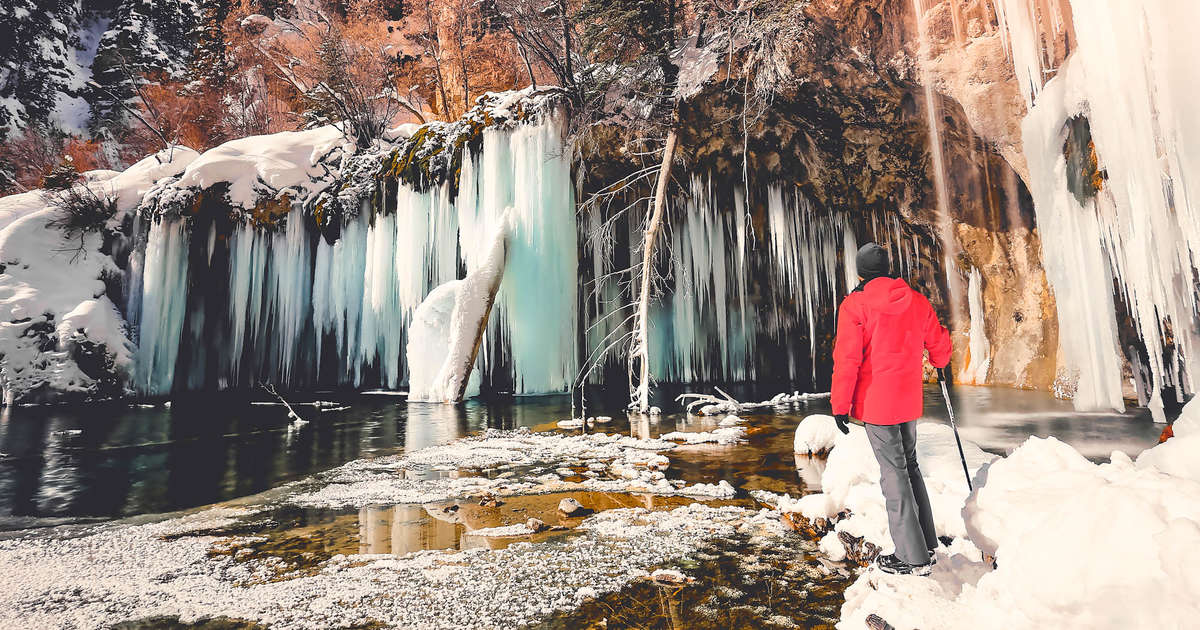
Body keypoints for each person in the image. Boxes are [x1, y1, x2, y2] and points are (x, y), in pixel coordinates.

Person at [830, 242, 951, 576]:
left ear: (860, 272)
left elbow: (847, 359)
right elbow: (939, 342)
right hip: (908, 400)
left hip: (877, 404)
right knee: (909, 466)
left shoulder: (855, 306)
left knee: (894, 473)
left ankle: (911, 557)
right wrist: (940, 361)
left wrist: (840, 405)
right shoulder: (915, 300)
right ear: (886, 269)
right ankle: (925, 543)